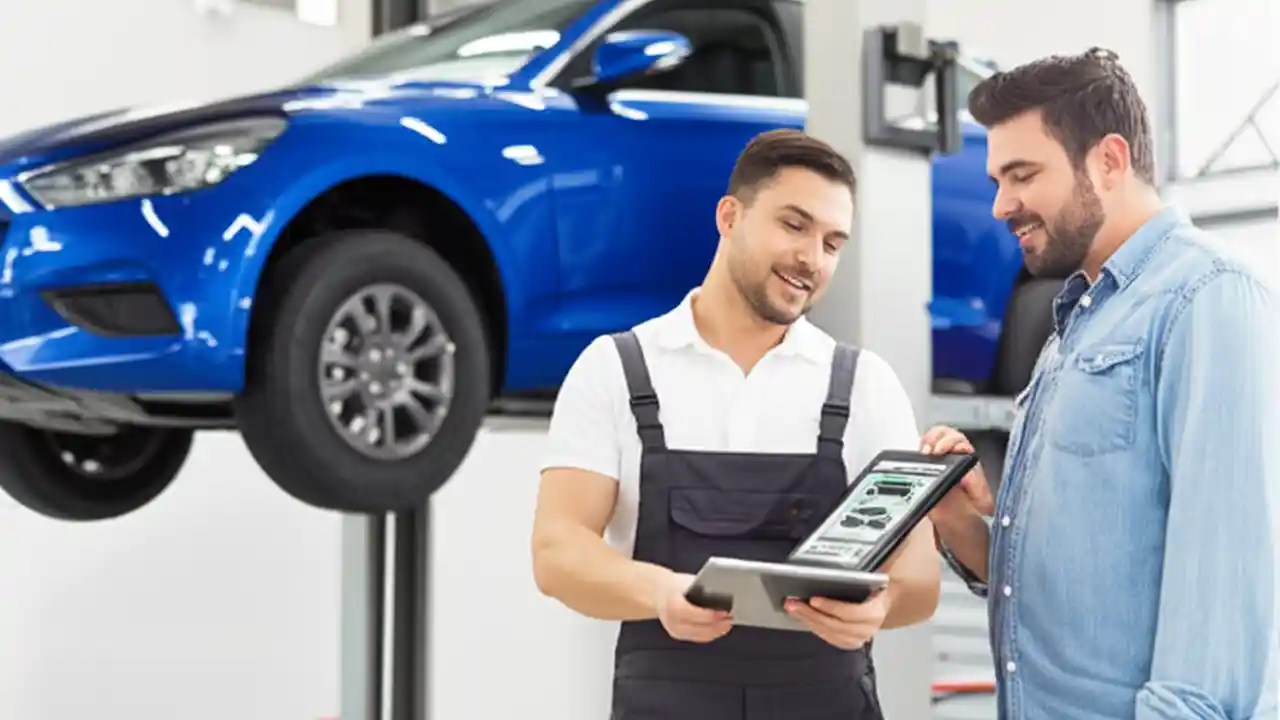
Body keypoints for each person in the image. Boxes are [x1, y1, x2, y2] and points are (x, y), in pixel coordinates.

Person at [530, 128, 942, 720]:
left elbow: (919, 580)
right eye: (794, 225)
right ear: (729, 216)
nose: (812, 258)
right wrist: (662, 593)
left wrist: (881, 607)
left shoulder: (864, 385)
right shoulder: (616, 370)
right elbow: (557, 550)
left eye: (832, 242)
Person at [926, 48, 1280, 719]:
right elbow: (1077, 583)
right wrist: (963, 523)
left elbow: (1224, 579)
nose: (1002, 205)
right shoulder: (1078, 324)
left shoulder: (1209, 297)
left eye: (1022, 174)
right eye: (998, 179)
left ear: (1109, 162)